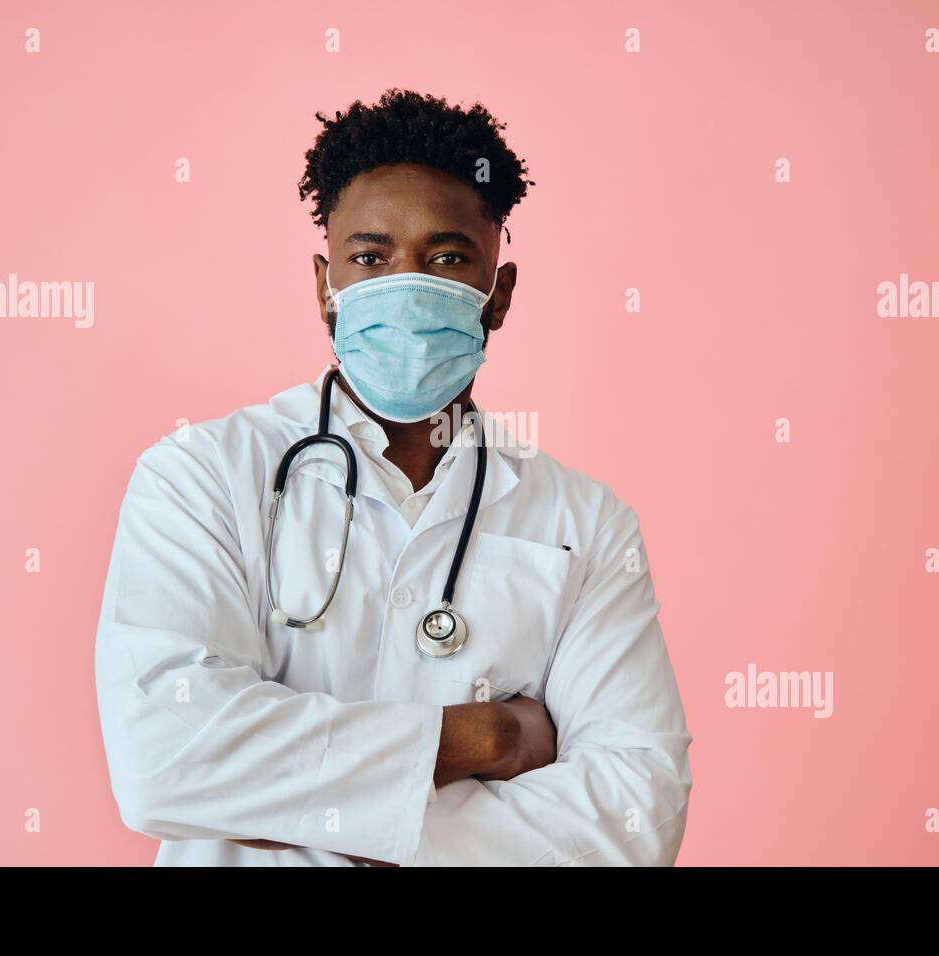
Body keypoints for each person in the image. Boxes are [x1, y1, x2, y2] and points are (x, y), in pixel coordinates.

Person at [94, 89, 692, 866]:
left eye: (447, 258)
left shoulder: (586, 523)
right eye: (370, 258)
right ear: (325, 287)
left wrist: (300, 812)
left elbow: (636, 813)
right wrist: (489, 734)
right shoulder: (199, 477)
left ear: (498, 294)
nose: (406, 285)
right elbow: (165, 760)